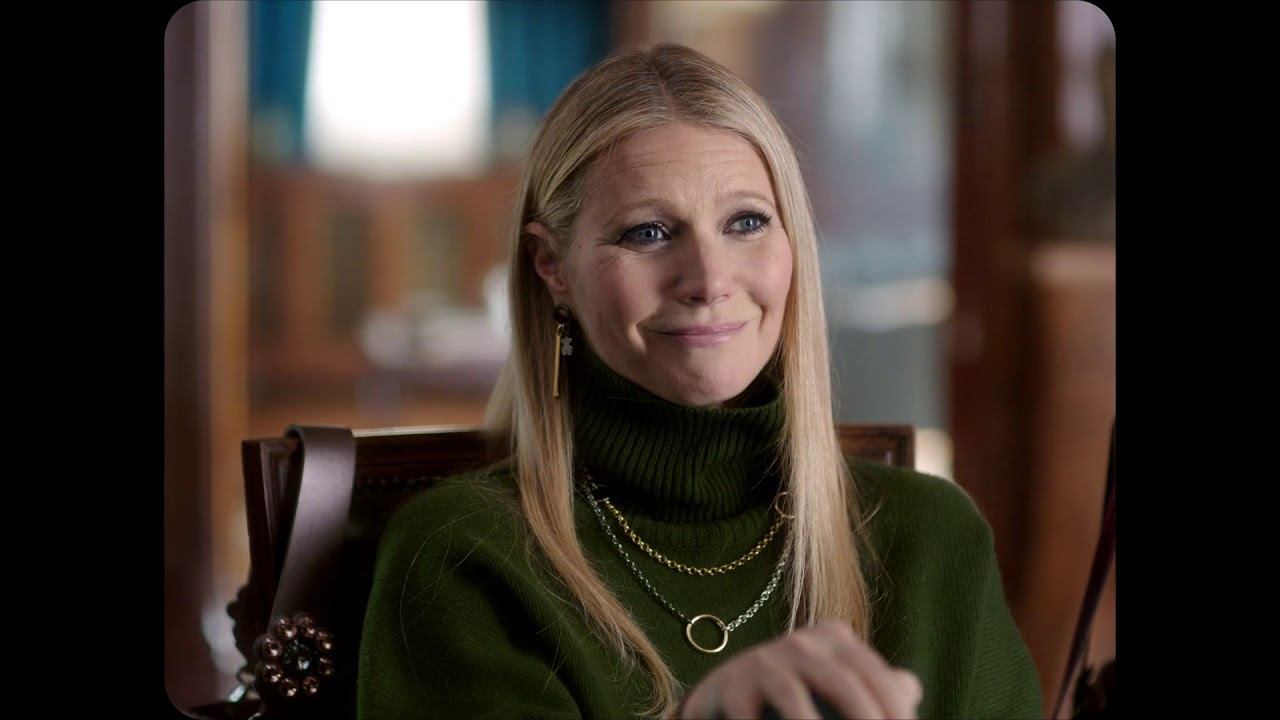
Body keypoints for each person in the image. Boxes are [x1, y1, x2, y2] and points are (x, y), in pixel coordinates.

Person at [358, 43, 1040, 719]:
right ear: (551, 265)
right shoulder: (462, 558)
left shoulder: (934, 539)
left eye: (746, 222)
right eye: (649, 233)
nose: (710, 280)